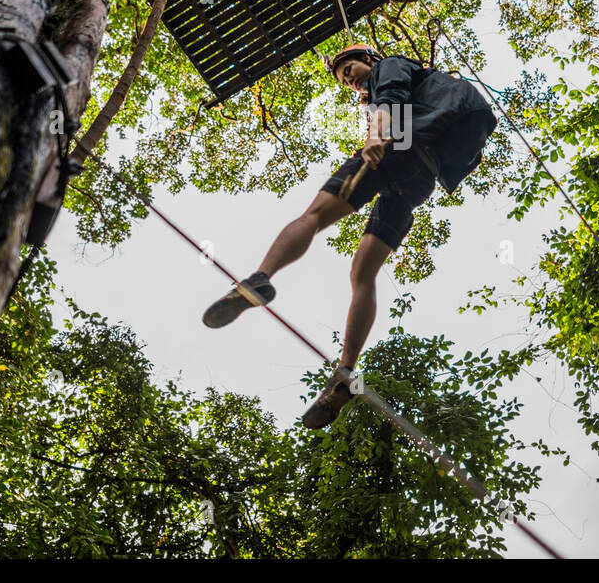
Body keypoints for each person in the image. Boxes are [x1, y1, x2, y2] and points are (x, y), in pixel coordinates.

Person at [200, 44, 498, 428]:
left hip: (399, 142)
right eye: (343, 78)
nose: (350, 78)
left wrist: (377, 134)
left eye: (350, 69)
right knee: (362, 273)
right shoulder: (431, 90)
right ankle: (346, 371)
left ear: (369, 60)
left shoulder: (390, 66)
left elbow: (391, 97)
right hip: (422, 177)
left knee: (315, 215)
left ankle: (261, 277)